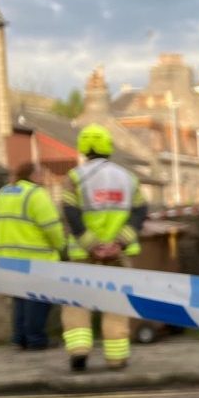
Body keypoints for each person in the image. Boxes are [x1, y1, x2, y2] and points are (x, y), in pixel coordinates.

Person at [60, 124, 147, 371]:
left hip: (83, 254)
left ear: (83, 148)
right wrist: (119, 242)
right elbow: (140, 211)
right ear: (108, 146)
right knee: (117, 303)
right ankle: (116, 357)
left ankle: (79, 351)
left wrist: (92, 245)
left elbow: (70, 213)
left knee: (76, 301)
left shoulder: (74, 177)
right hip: (119, 254)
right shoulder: (128, 177)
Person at [0, 162, 66, 350]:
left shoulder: (3, 192)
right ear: (33, 175)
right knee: (38, 299)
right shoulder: (36, 194)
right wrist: (62, 246)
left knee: (20, 299)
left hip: (4, 256)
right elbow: (51, 227)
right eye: (41, 174)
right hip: (35, 258)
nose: (43, 178)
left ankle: (19, 338)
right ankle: (35, 339)